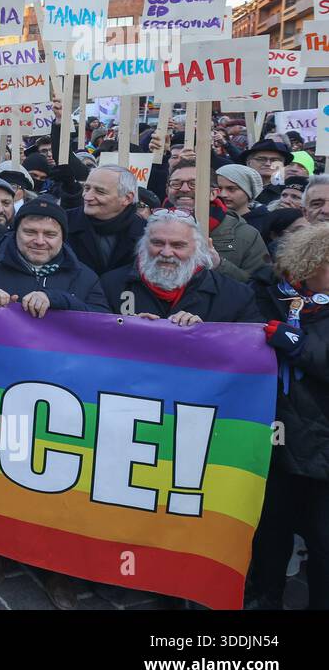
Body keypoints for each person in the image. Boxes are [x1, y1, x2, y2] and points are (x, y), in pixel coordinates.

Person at [0, 197, 109, 606]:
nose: (39, 241)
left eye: (49, 234)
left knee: (58, 486)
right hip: (1, 394)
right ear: (16, 232)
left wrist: (60, 302)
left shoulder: (83, 276)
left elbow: (107, 327)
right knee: (1, 477)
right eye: (30, 232)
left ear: (62, 237)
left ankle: (58, 568)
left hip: (63, 401)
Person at [247, 224, 329, 610]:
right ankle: (266, 596)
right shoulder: (268, 292)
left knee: (322, 534)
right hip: (274, 427)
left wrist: (299, 346)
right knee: (270, 526)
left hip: (321, 436)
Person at [99, 211, 261, 324]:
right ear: (143, 245)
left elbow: (248, 350)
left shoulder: (235, 296)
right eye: (157, 243)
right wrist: (125, 328)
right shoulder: (111, 285)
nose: (166, 252)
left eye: (178, 245)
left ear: (198, 249)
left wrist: (204, 333)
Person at [66, 165, 144, 277]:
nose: (87, 197)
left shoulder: (147, 233)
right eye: (87, 188)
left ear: (127, 198)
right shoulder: (63, 223)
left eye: (100, 191)